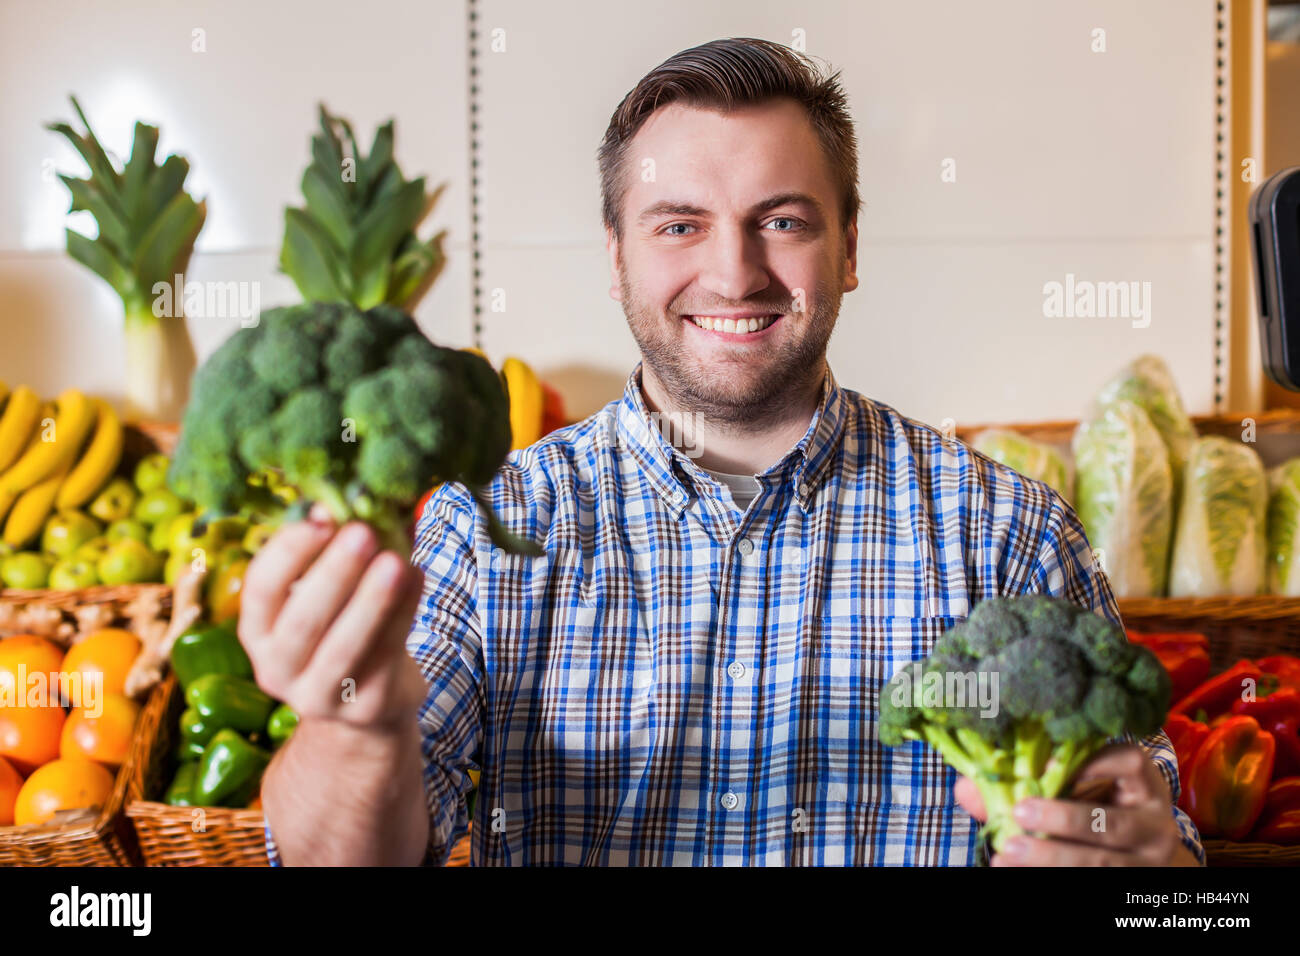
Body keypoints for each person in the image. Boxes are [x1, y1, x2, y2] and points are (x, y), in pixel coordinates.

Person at [243, 37, 1204, 866]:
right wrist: (354, 724)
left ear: (851, 249)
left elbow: (1170, 869)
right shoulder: (492, 524)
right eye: (680, 226)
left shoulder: (1008, 532)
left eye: (781, 221)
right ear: (616, 258)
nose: (735, 272)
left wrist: (1141, 860)